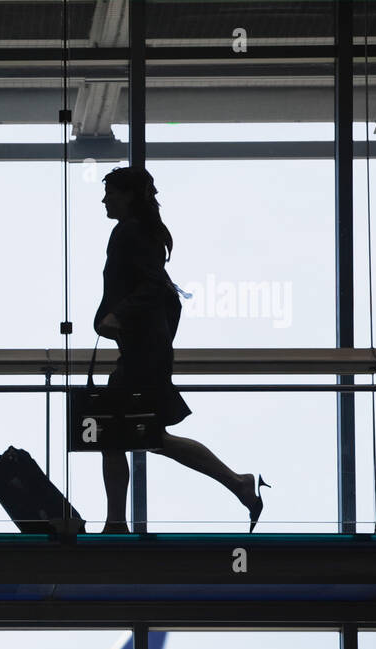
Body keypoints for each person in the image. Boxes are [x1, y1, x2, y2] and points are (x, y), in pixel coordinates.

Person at [93, 167, 269, 533]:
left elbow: (154, 287)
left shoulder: (130, 232)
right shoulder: (143, 233)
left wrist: (116, 316)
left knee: (113, 434)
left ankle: (115, 523)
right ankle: (237, 482)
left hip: (142, 356)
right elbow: (158, 290)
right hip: (145, 354)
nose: (105, 200)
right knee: (152, 438)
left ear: (128, 195)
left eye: (110, 192)